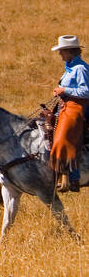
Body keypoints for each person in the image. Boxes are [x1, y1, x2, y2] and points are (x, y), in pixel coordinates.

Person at [50, 35, 89, 193]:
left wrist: (65, 90)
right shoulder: (70, 67)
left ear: (69, 51)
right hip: (66, 105)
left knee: (63, 137)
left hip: (78, 107)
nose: (60, 54)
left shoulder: (81, 68)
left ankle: (71, 177)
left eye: (61, 51)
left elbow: (86, 91)